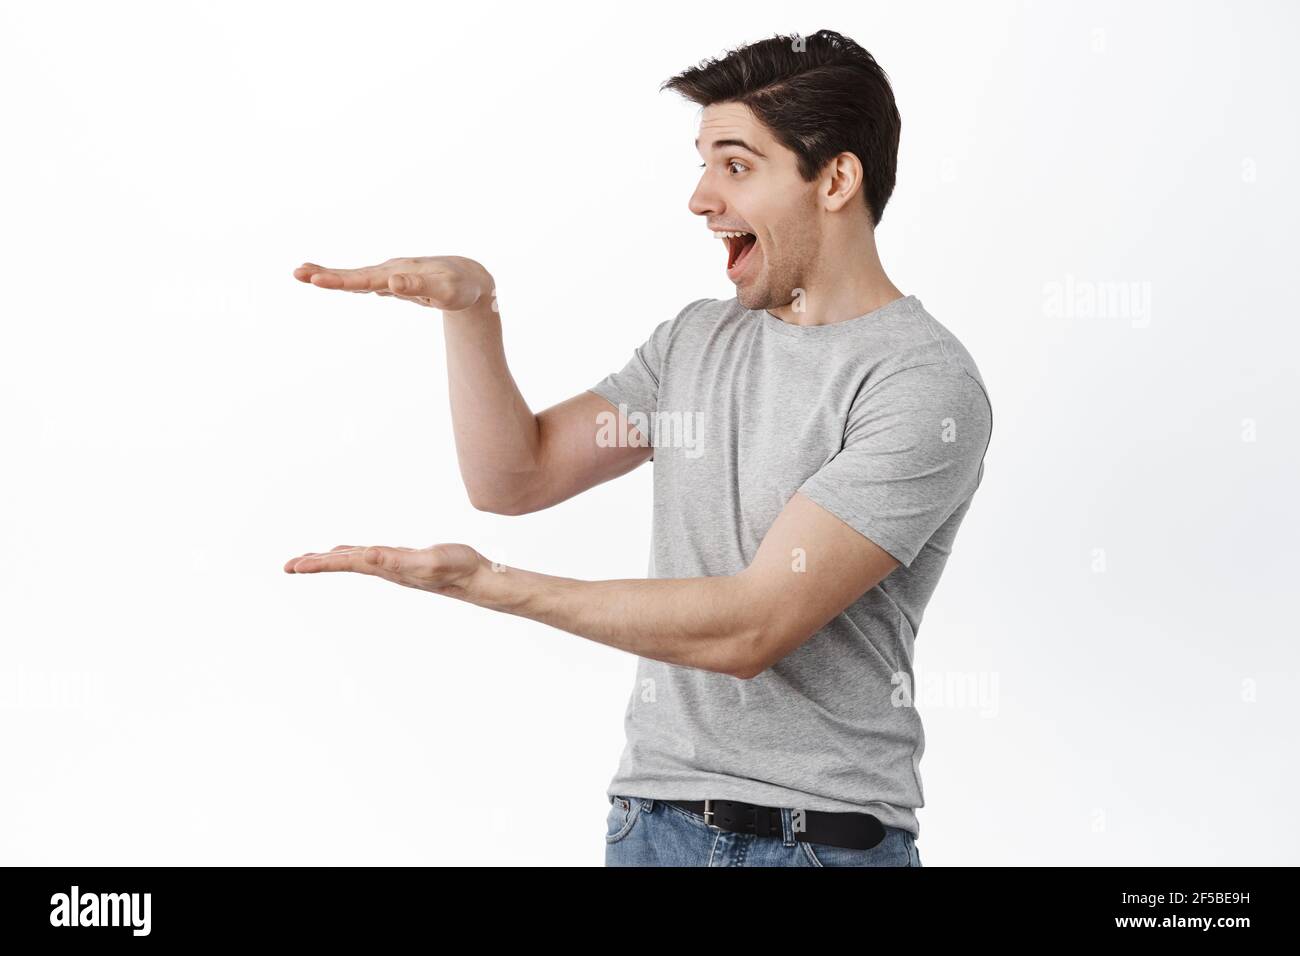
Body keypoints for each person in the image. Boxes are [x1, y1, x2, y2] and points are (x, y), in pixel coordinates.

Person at [284, 28, 992, 867]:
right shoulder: (697, 342)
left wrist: (491, 585)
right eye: (701, 165)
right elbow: (516, 475)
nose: (700, 198)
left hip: (816, 843)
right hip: (649, 825)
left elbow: (752, 629)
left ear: (836, 178)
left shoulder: (921, 384)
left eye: (735, 165)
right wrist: (472, 312)